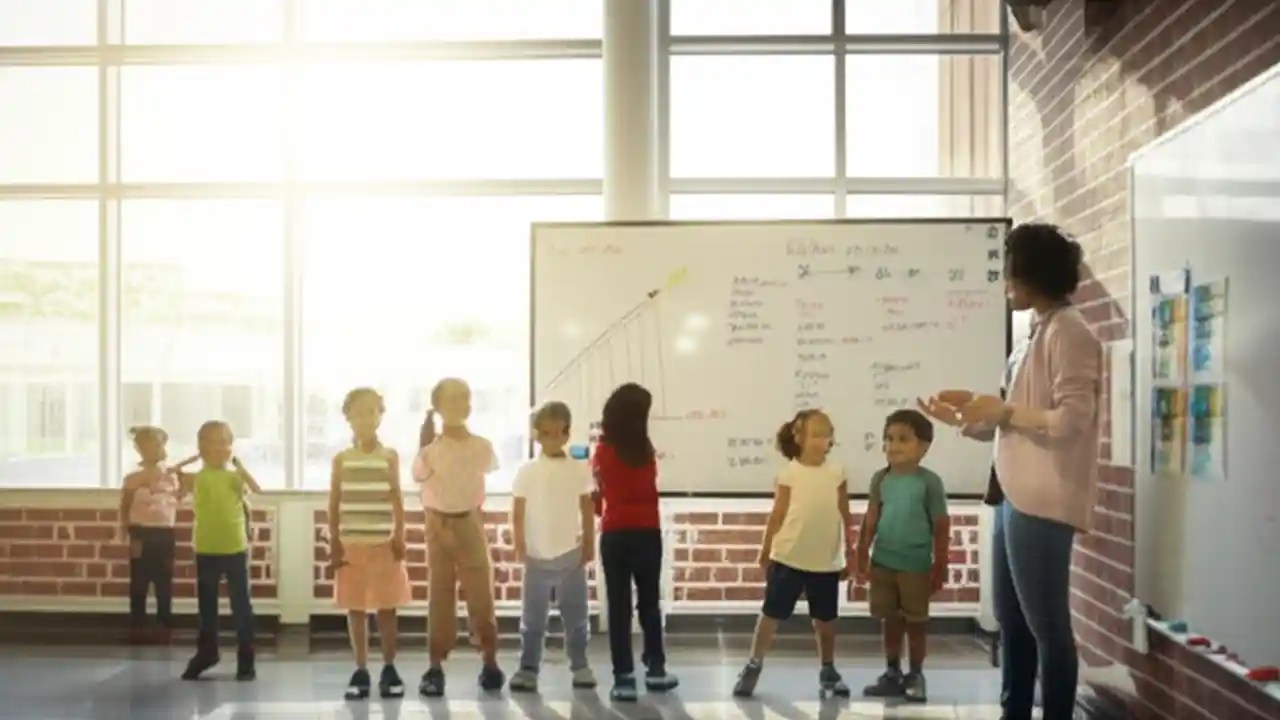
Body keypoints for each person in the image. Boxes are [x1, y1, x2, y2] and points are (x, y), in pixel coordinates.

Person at [919, 222, 1100, 720]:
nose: (1004, 283)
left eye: (1010, 271)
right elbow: (1010, 420)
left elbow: (1070, 420)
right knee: (1011, 621)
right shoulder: (1032, 336)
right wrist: (963, 417)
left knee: (1047, 627)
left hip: (1040, 499)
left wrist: (1001, 412)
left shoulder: (1070, 332)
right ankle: (1013, 710)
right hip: (1009, 494)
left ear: (1033, 272)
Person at [732, 409, 854, 699]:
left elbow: (844, 514)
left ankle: (828, 669)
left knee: (826, 618)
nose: (821, 440)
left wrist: (849, 552)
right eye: (815, 434)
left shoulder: (837, 473)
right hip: (788, 556)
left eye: (827, 434)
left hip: (825, 560)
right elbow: (778, 515)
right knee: (772, 613)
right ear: (798, 437)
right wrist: (765, 551)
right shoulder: (789, 474)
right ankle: (753, 664)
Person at [412, 377, 504, 696]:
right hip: (438, 525)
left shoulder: (482, 446)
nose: (458, 405)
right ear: (437, 407)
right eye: (450, 399)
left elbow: (482, 481)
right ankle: (435, 666)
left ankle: (490, 661)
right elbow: (420, 481)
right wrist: (422, 445)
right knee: (440, 596)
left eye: (463, 398)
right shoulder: (430, 450)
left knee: (481, 594)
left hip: (469, 522)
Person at [593, 382, 679, 702]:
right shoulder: (645, 450)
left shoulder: (603, 450)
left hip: (615, 533)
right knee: (649, 604)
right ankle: (655, 670)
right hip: (647, 533)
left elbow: (600, 494)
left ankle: (623, 678)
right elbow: (647, 490)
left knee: (619, 607)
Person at [857, 409, 949, 703]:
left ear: (923, 447)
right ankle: (892, 672)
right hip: (884, 562)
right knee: (889, 619)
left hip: (916, 566)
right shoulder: (880, 479)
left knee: (916, 622)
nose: (893, 445)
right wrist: (861, 554)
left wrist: (940, 564)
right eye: (889, 438)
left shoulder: (929, 482)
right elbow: (870, 520)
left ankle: (916, 674)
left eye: (903, 439)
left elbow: (941, 525)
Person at [508, 401, 597, 693]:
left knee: (576, 616)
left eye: (558, 433)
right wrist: (519, 542)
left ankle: (580, 665)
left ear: (567, 434)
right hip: (537, 557)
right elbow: (518, 510)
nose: (552, 439)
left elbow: (586, 507)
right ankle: (528, 668)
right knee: (533, 618)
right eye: (545, 433)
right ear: (536, 435)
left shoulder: (578, 470)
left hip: (570, 556)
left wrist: (588, 541)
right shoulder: (527, 471)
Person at [329, 387, 412, 700]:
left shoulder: (389, 456)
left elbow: (396, 496)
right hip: (351, 545)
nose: (365, 418)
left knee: (387, 608)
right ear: (348, 417)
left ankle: (389, 667)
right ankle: (361, 669)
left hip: (383, 544)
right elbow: (335, 500)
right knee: (357, 608)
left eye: (372, 411)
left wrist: (400, 533)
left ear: (380, 415)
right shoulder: (342, 459)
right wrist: (334, 539)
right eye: (358, 412)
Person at [172, 420, 262, 681]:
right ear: (201, 446)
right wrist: (178, 472)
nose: (220, 448)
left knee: (241, 605)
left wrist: (241, 467)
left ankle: (246, 657)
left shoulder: (235, 477)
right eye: (213, 442)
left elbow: (255, 490)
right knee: (207, 605)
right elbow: (175, 489)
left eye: (225, 442)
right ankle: (207, 652)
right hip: (206, 548)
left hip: (234, 548)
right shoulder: (196, 478)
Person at [118, 425, 181, 645]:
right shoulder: (133, 478)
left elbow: (180, 498)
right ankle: (138, 626)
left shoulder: (172, 476)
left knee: (164, 581)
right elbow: (124, 507)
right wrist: (124, 530)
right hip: (141, 533)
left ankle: (164, 625)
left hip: (165, 533)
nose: (157, 449)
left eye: (159, 444)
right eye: (151, 445)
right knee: (139, 582)